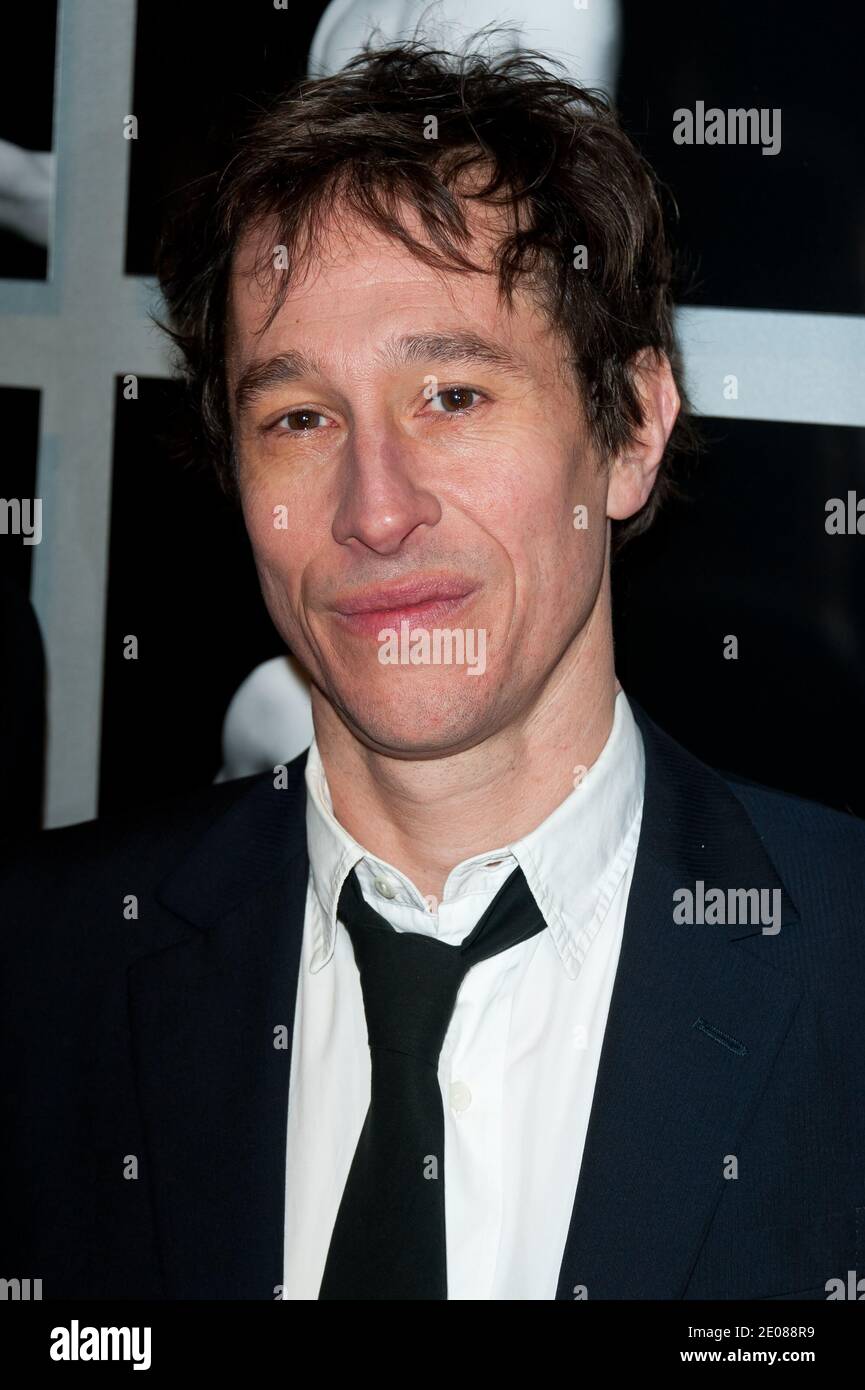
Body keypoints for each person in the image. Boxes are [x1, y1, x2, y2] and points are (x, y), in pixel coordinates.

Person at [1, 39, 863, 1302]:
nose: (375, 505)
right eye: (298, 418)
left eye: (452, 394)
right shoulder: (39, 972)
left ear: (630, 432)